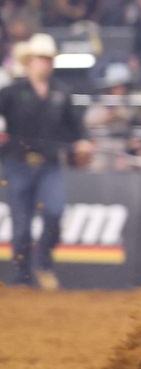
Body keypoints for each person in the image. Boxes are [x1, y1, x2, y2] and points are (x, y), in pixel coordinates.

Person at [0, 34, 93, 289]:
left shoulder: (61, 93)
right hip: (17, 163)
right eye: (42, 58)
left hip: (49, 164)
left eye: (49, 59)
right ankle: (22, 276)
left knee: (55, 211)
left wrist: (83, 141)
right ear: (29, 61)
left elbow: (77, 126)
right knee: (21, 225)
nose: (46, 63)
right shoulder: (12, 92)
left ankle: (43, 262)